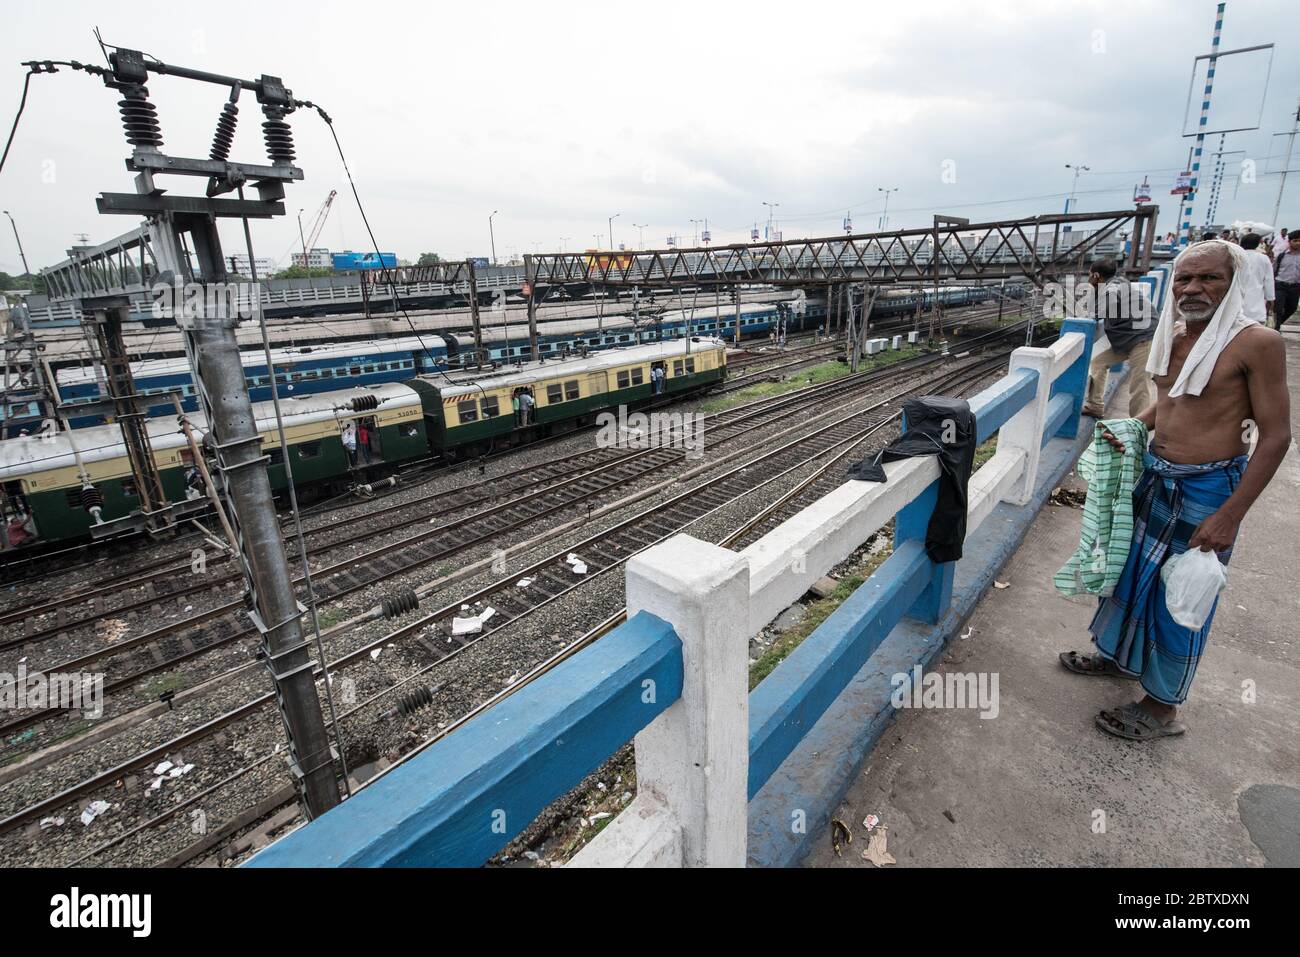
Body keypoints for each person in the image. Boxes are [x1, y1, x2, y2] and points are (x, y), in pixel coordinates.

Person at [1060, 240, 1291, 741]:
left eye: (1209, 278)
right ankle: (1120, 659)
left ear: (1235, 283)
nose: (1192, 288)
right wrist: (1132, 430)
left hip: (1208, 486)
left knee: (1180, 596)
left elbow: (1276, 436)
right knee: (1130, 575)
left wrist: (1231, 515)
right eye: (1185, 278)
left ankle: (1163, 707)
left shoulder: (1256, 344)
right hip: (1154, 473)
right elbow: (1169, 405)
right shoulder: (1176, 335)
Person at [1081, 259, 1155, 418]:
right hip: (1128, 338)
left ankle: (1138, 426)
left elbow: (1099, 310)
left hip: (1143, 338)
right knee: (1098, 363)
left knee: (1139, 384)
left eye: (1090, 276)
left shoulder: (1112, 288)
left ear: (1096, 275)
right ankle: (1095, 406)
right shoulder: (1117, 283)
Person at [1237, 233, 1275, 325]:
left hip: (1236, 299)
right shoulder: (1263, 258)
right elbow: (1269, 281)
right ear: (1257, 244)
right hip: (1256, 304)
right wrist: (1270, 299)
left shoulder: (1236, 256)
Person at [1274, 229, 1300, 329]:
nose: (1298, 243)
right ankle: (1276, 329)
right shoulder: (1282, 256)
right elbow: (1274, 270)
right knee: (1278, 309)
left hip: (1295, 287)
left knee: (1292, 308)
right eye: (1295, 240)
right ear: (1290, 242)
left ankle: (1278, 324)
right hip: (1281, 285)